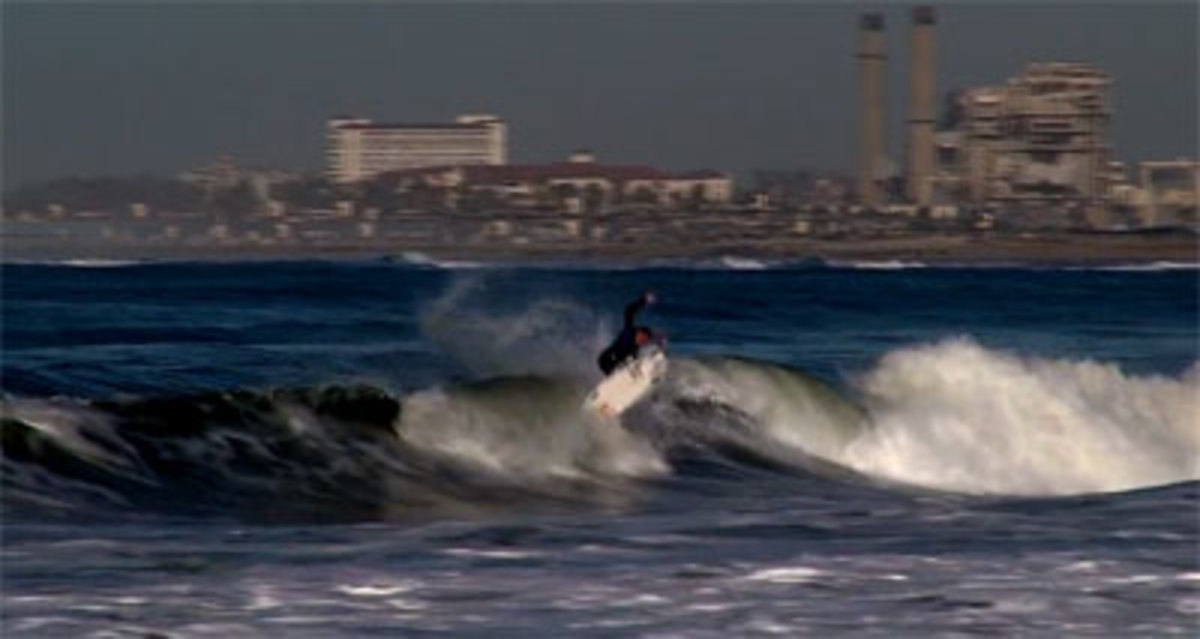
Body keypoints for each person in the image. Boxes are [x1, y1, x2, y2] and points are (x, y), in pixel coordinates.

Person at [597, 291, 661, 376]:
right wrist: (644, 300)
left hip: (619, 362)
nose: (643, 341)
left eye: (645, 340)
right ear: (639, 333)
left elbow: (654, 338)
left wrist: (661, 344)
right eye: (642, 338)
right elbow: (629, 310)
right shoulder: (629, 331)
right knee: (623, 364)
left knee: (634, 359)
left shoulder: (639, 342)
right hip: (606, 360)